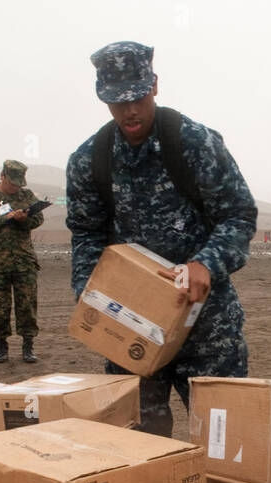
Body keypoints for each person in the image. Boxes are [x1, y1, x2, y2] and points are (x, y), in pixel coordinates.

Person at [66, 41, 257, 436]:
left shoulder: (194, 143)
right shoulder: (90, 160)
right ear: (102, 98)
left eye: (137, 97)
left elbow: (238, 215)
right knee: (140, 445)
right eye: (117, 102)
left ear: (154, 85)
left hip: (206, 323)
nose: (129, 110)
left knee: (228, 439)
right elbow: (87, 233)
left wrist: (206, 262)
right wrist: (90, 296)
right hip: (131, 325)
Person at [0, 160, 45, 363]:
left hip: (24, 260)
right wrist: (6, 218)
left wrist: (24, 220)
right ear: (2, 176)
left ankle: (28, 346)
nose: (15, 188)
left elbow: (38, 219)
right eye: (12, 183)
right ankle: (1, 347)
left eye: (18, 184)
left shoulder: (26, 196)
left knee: (27, 304)